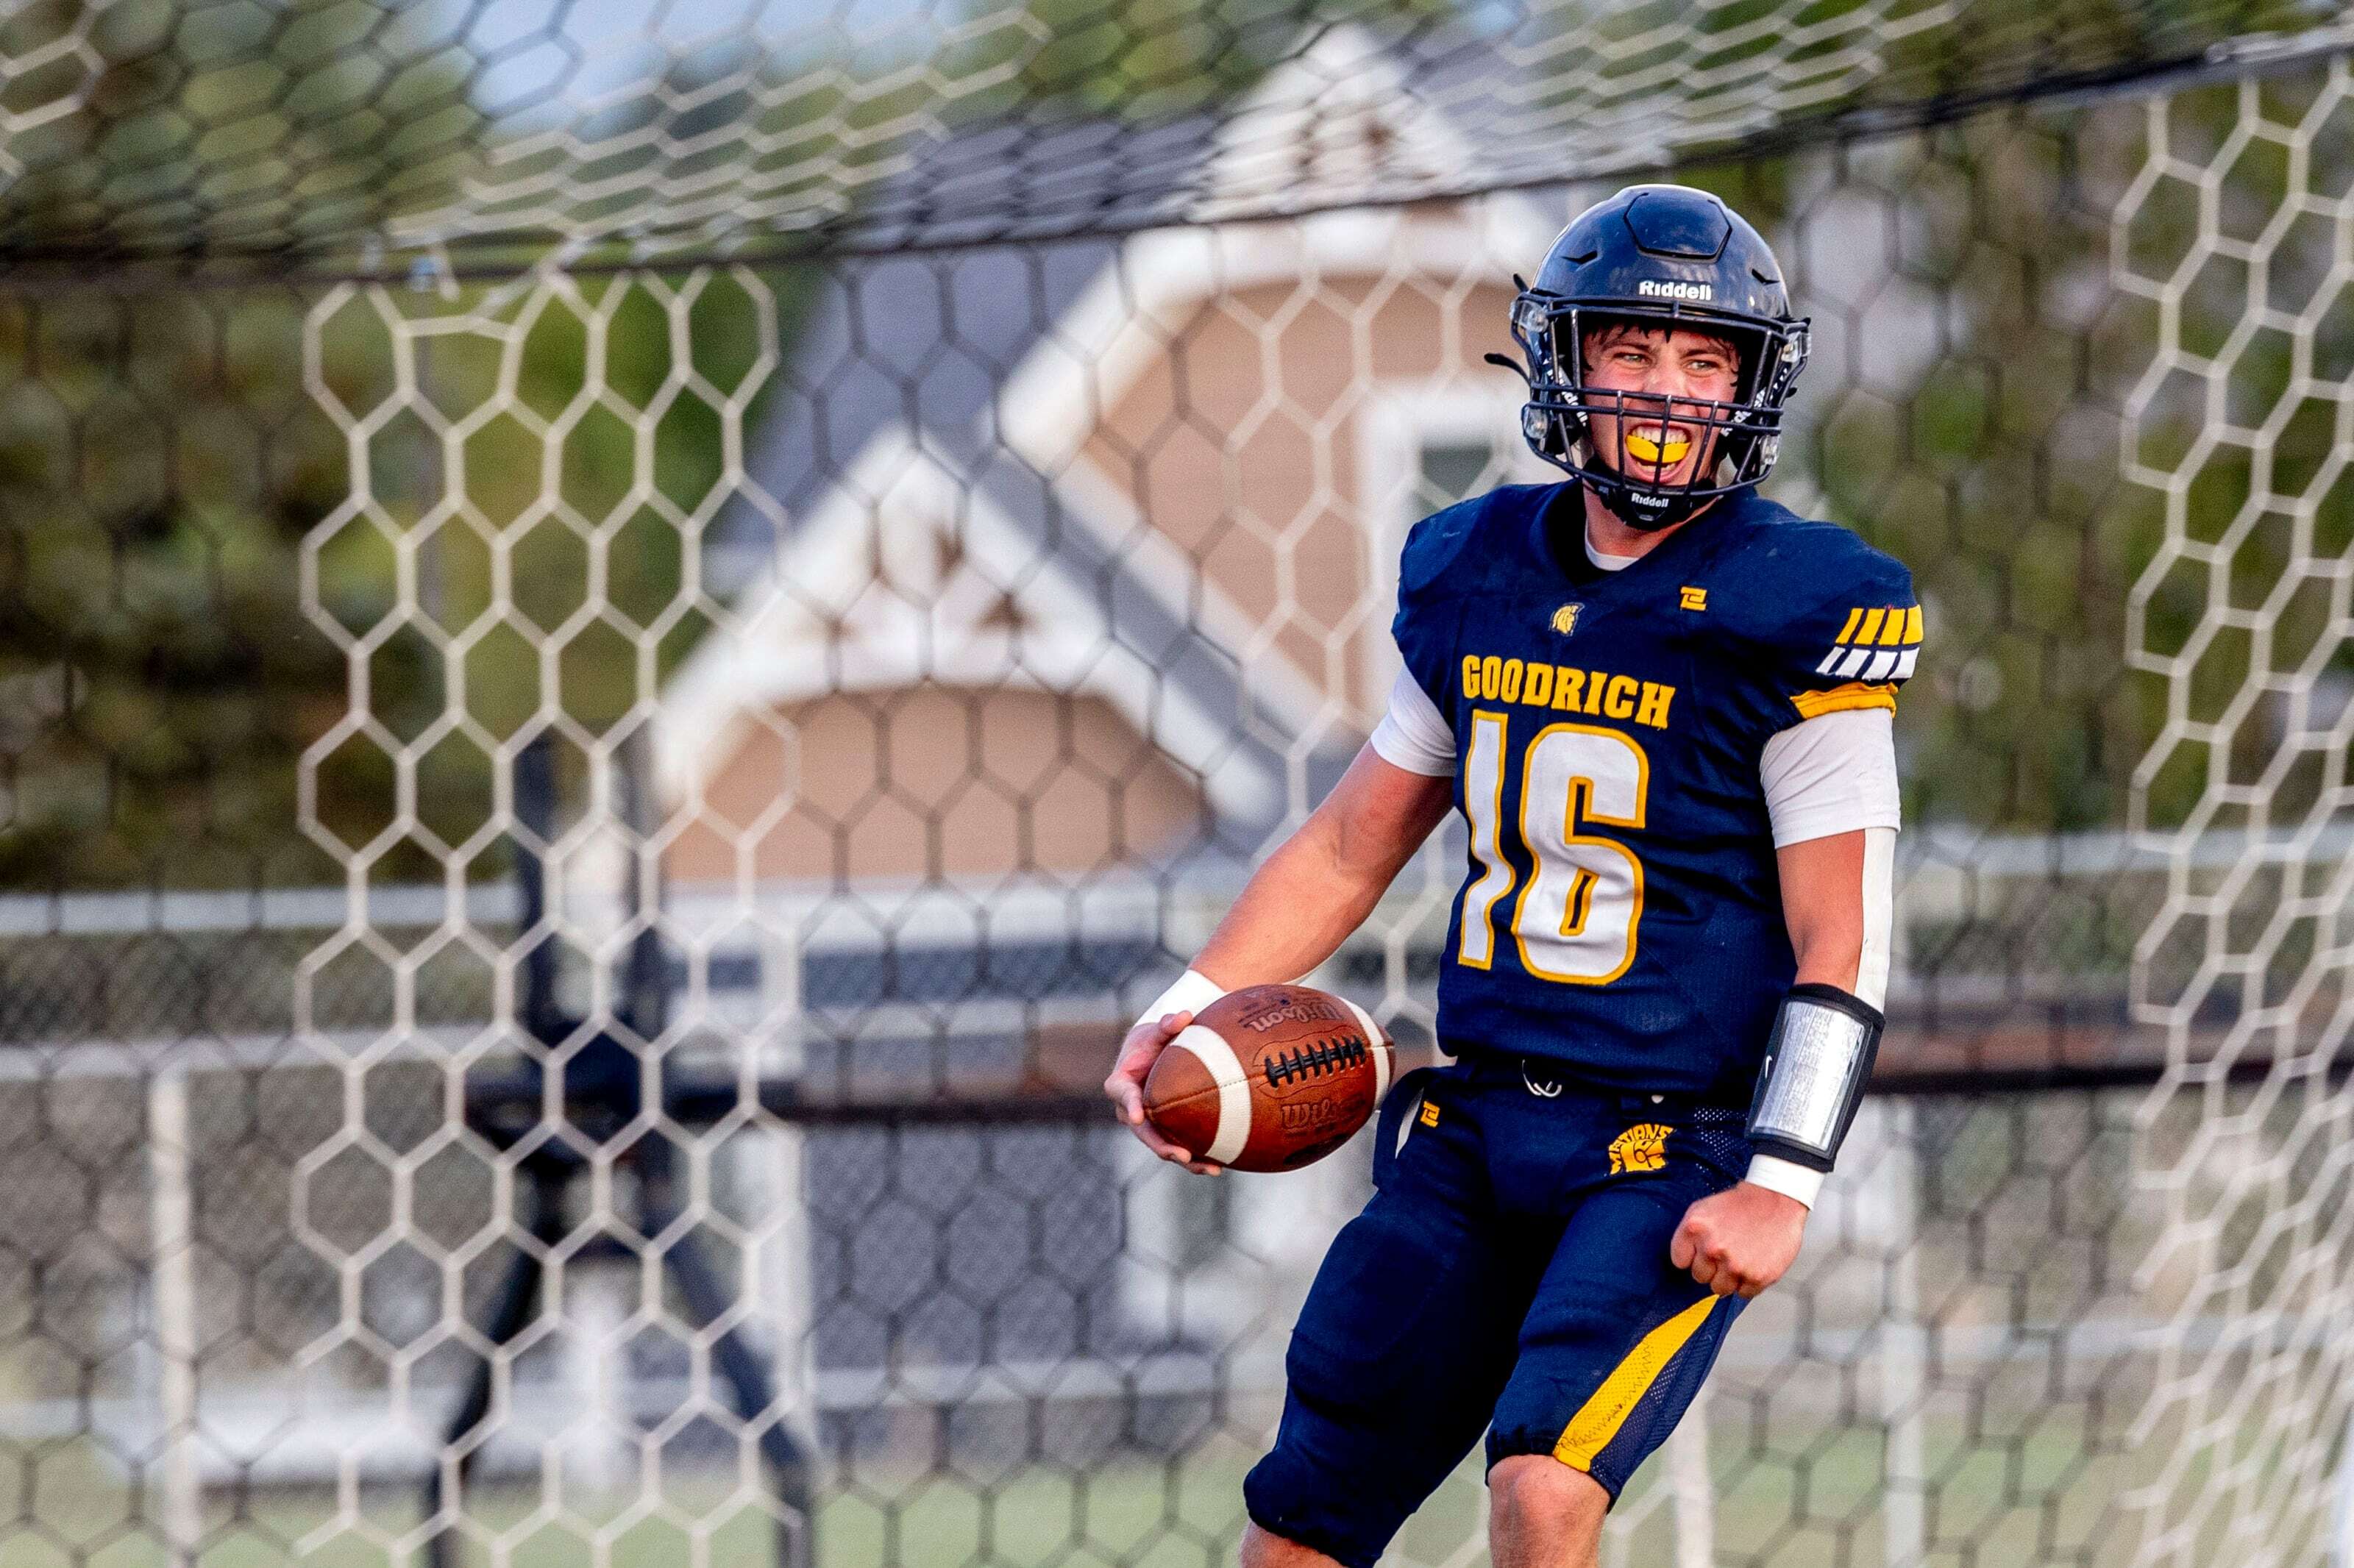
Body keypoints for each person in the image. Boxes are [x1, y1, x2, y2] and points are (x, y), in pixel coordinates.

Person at [1103, 183, 1921, 1568]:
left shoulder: (1801, 605)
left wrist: (1784, 1179)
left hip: (1666, 1143)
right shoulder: (1480, 569)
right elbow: (1357, 839)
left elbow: (1840, 935)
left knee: (1544, 1486)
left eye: (1705, 360)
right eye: (1634, 353)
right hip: (1477, 1128)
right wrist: (1193, 998)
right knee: (1302, 1512)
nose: (1668, 390)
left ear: (1753, 384)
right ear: (1564, 365)